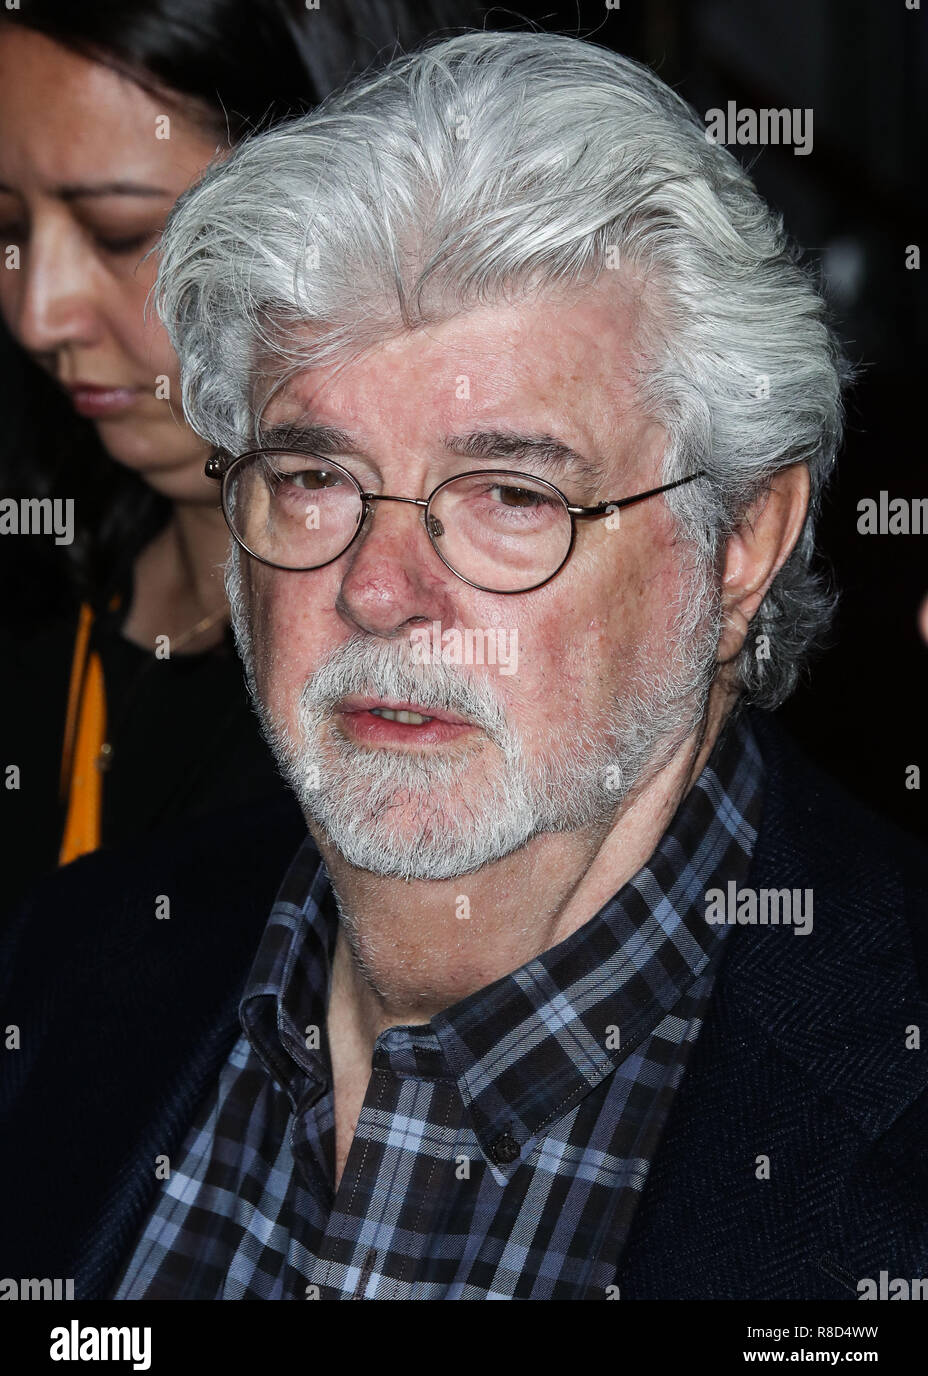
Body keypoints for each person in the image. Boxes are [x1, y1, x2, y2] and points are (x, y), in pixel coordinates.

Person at [2, 29, 926, 1301]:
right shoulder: (66, 963)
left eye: (507, 493)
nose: (378, 590)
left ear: (740, 544)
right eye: (314, 477)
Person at [0, 0, 475, 915]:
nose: (39, 313)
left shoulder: (425, 665)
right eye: (8, 227)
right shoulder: (41, 574)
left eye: (119, 234)